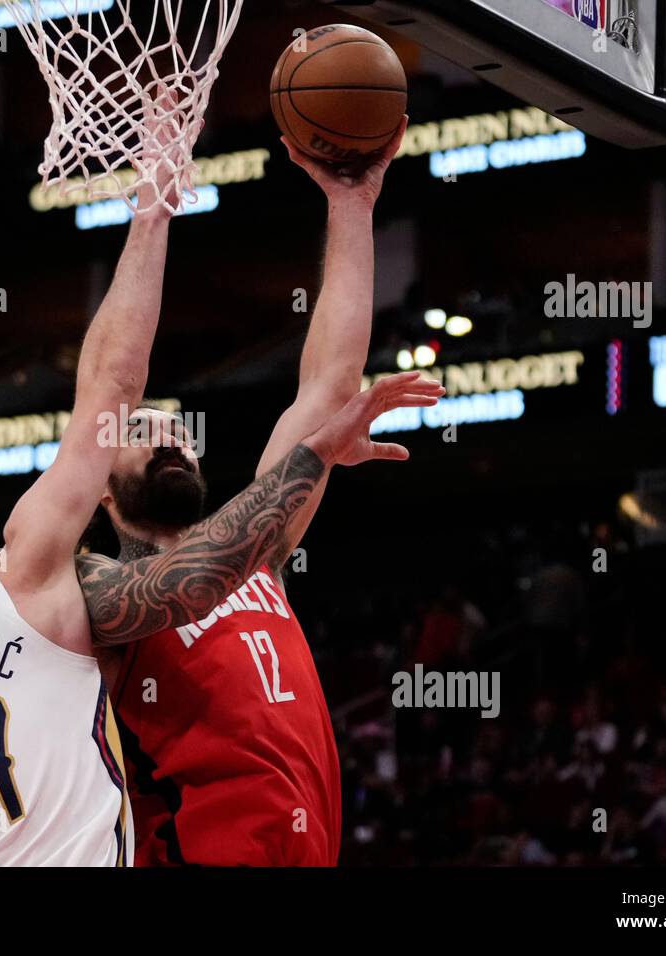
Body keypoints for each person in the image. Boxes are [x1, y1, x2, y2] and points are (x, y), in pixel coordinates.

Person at [76, 119, 414, 866]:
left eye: (181, 433)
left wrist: (353, 205)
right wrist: (315, 455)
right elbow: (192, 580)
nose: (171, 439)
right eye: (143, 433)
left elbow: (328, 382)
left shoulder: (257, 551)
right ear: (97, 491)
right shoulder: (96, 595)